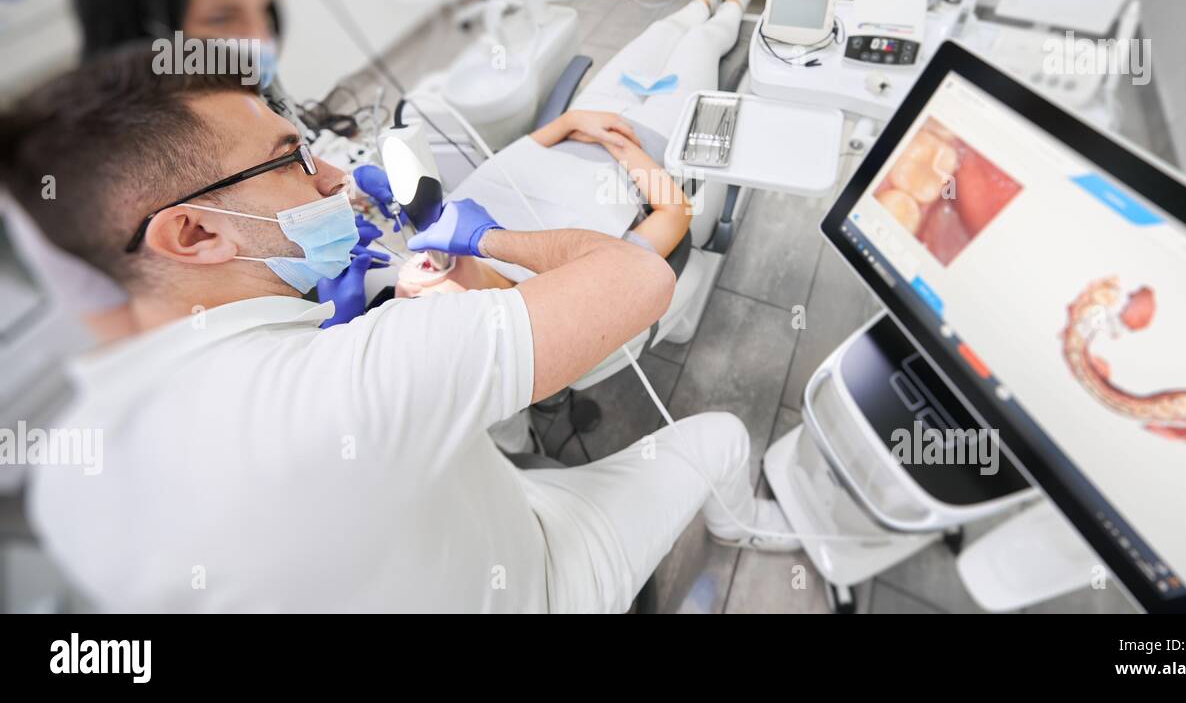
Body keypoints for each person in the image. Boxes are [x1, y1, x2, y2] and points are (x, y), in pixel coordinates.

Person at [0, 44, 795, 613]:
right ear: (197, 234)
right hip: (547, 569)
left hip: (461, 506)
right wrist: (482, 241)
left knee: (701, 33)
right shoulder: (373, 371)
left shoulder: (69, 492)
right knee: (721, 435)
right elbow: (643, 265)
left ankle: (712, 18)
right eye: (292, 159)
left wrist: (571, 129)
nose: (336, 177)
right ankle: (751, 522)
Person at [2, 0, 292, 345]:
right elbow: (133, 342)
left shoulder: (216, 74)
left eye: (265, 9)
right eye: (221, 17)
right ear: (141, 26)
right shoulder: (55, 174)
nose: (259, 40)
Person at [393, 0, 754, 297]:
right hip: (651, 138)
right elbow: (675, 213)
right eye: (419, 300)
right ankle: (737, 0)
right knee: (702, 40)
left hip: (592, 115)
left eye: (401, 294)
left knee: (662, 31)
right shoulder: (572, 285)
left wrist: (573, 120)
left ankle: (703, 1)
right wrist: (620, 145)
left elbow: (526, 152)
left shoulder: (453, 225)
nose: (409, 284)